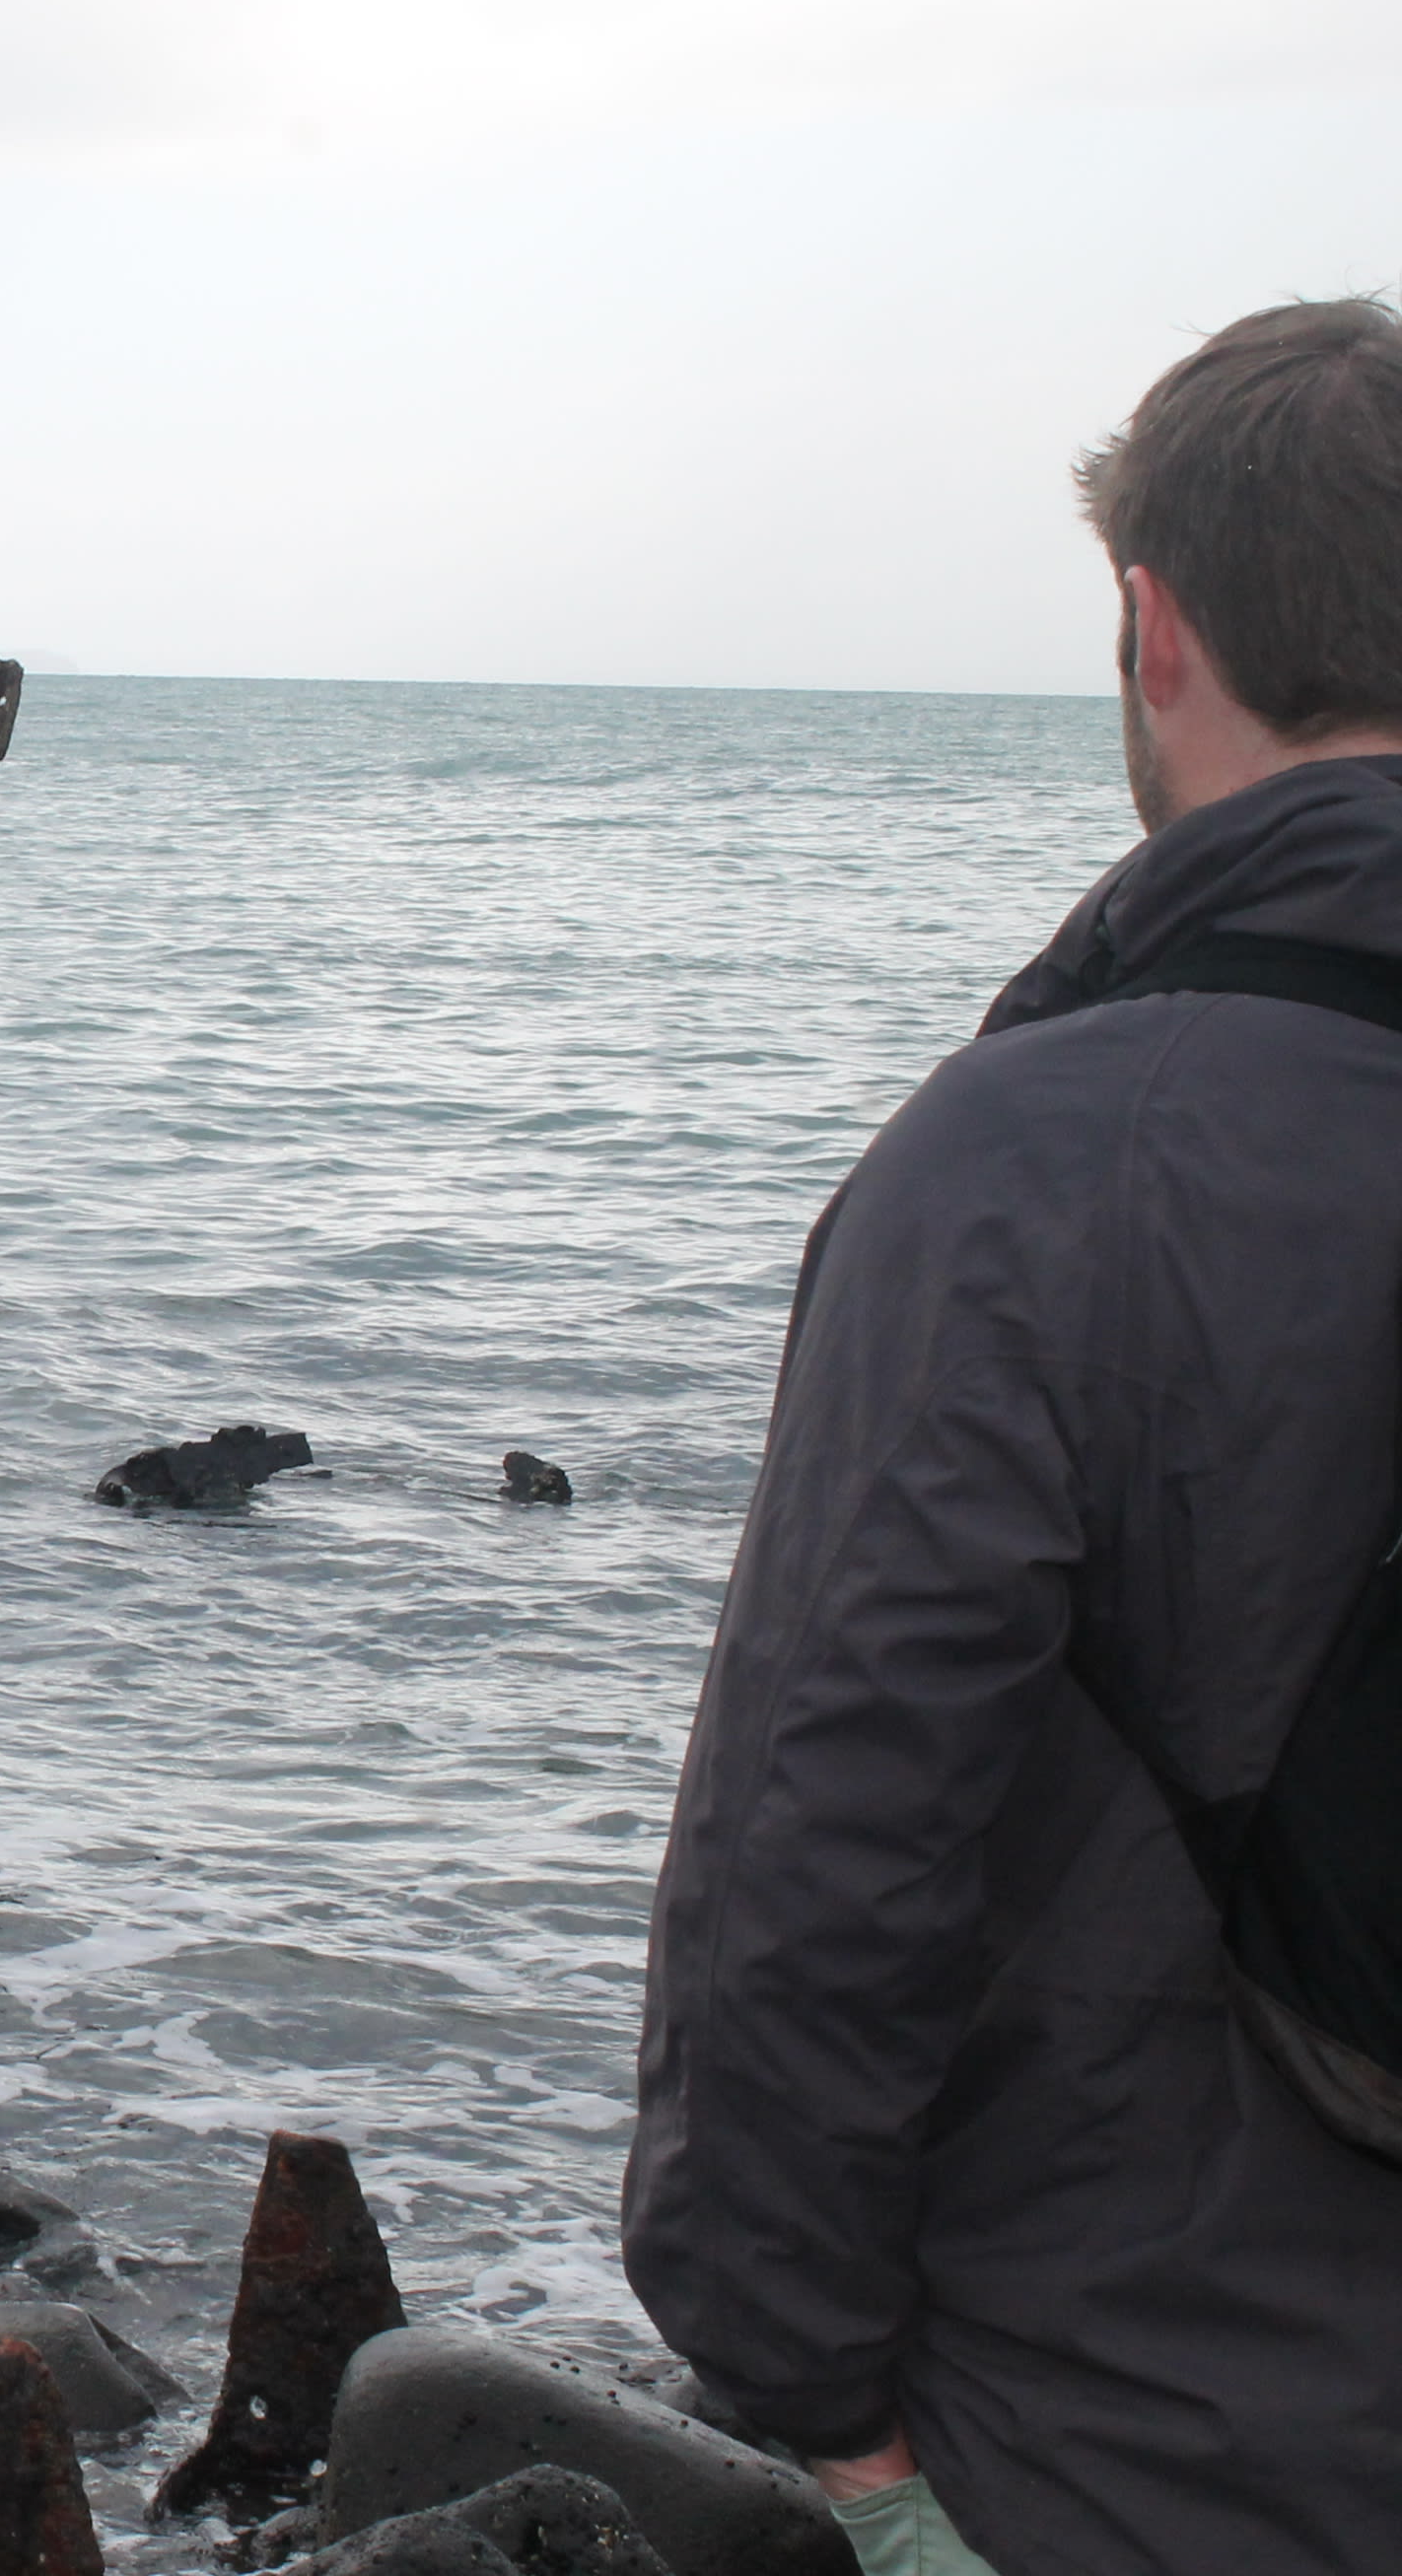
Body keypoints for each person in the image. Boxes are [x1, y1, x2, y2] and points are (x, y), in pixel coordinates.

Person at [624, 296, 1402, 2576]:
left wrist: (825, 2417)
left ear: (1155, 627)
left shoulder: (1022, 1168)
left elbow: (825, 1840)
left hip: (1145, 2428)